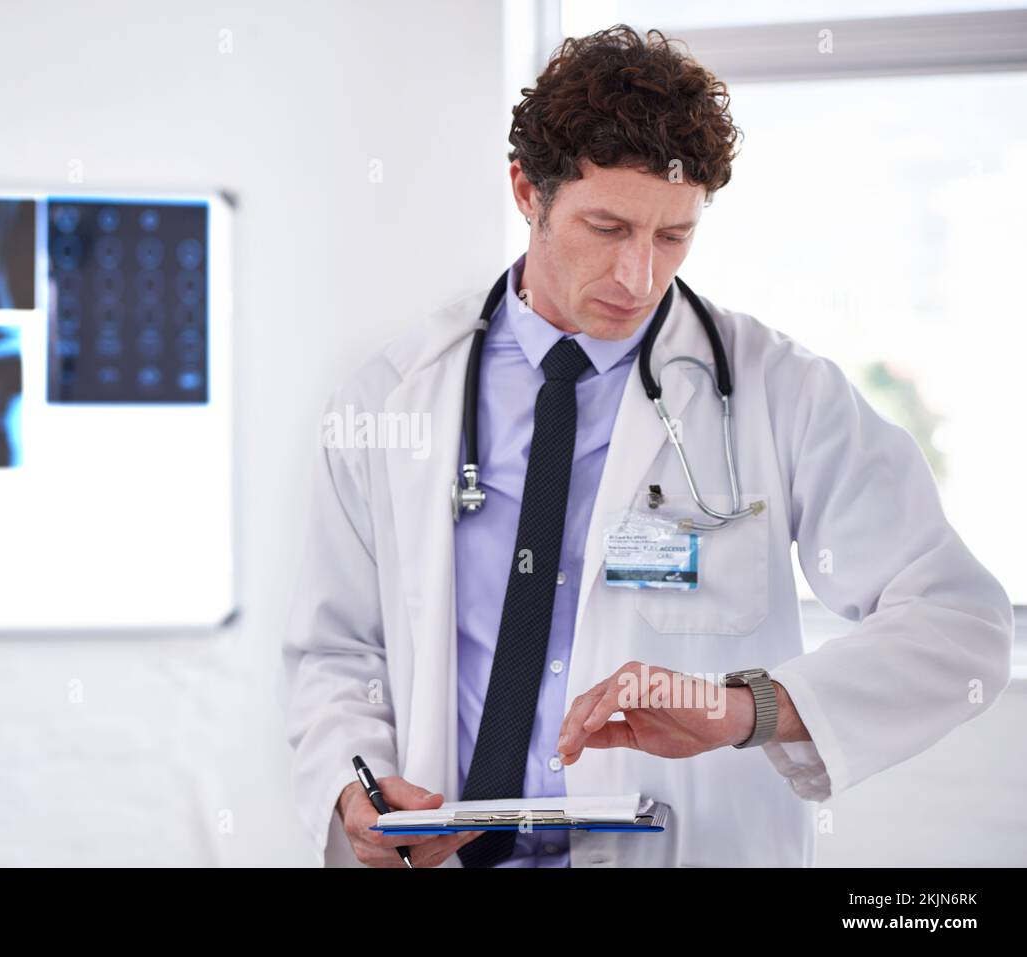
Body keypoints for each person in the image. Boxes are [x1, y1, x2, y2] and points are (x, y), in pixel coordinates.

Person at [279, 24, 1014, 867]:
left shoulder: (781, 392)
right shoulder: (391, 397)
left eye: (674, 237)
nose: (639, 276)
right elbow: (336, 649)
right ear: (527, 190)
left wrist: (751, 709)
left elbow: (962, 623)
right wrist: (353, 787)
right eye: (607, 226)